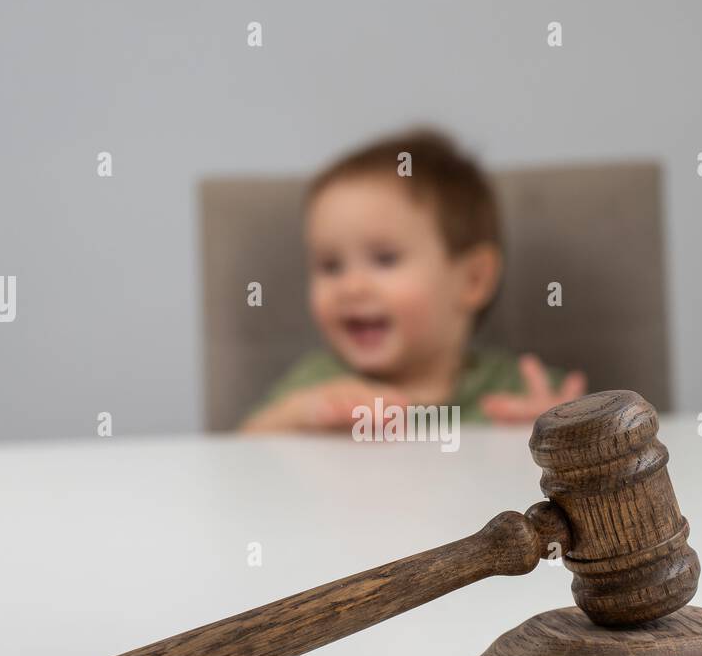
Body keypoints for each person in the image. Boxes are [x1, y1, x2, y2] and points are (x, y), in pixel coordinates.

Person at [240, 127, 586, 432]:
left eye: (385, 259)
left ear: (473, 280)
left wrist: (556, 436)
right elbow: (237, 458)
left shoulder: (516, 390)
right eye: (330, 266)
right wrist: (302, 414)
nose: (351, 287)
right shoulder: (319, 383)